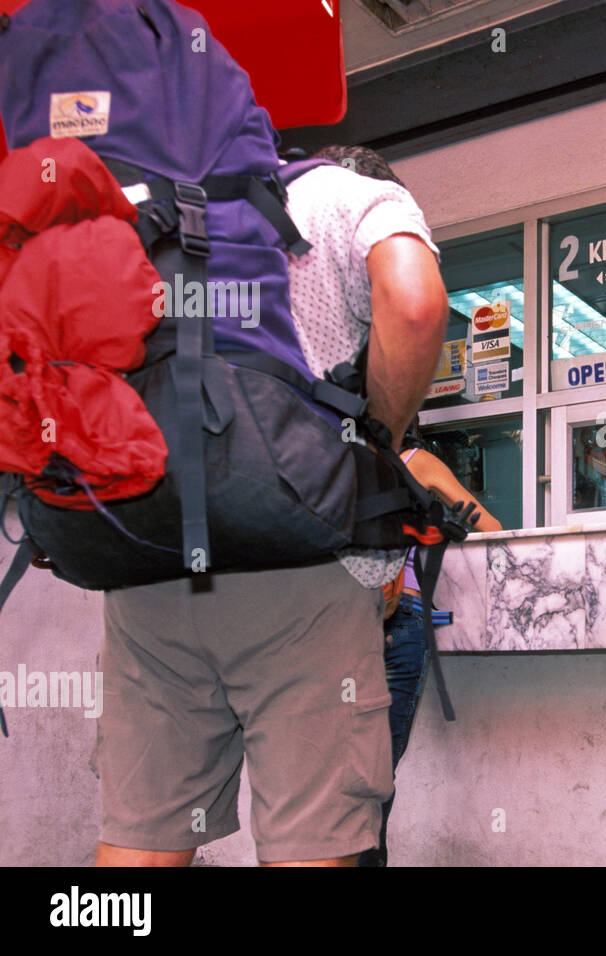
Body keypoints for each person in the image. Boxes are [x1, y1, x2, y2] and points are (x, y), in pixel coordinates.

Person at [93, 145, 448, 866]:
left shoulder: (168, 203)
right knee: (309, 844)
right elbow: (415, 307)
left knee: (139, 845)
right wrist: (379, 443)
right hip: (302, 569)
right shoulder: (353, 199)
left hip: (150, 565)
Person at [360, 435, 501, 867]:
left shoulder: (401, 463)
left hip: (374, 619)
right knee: (362, 772)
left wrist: (437, 527)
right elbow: (492, 529)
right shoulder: (396, 461)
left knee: (363, 770)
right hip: (371, 619)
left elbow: (491, 529)